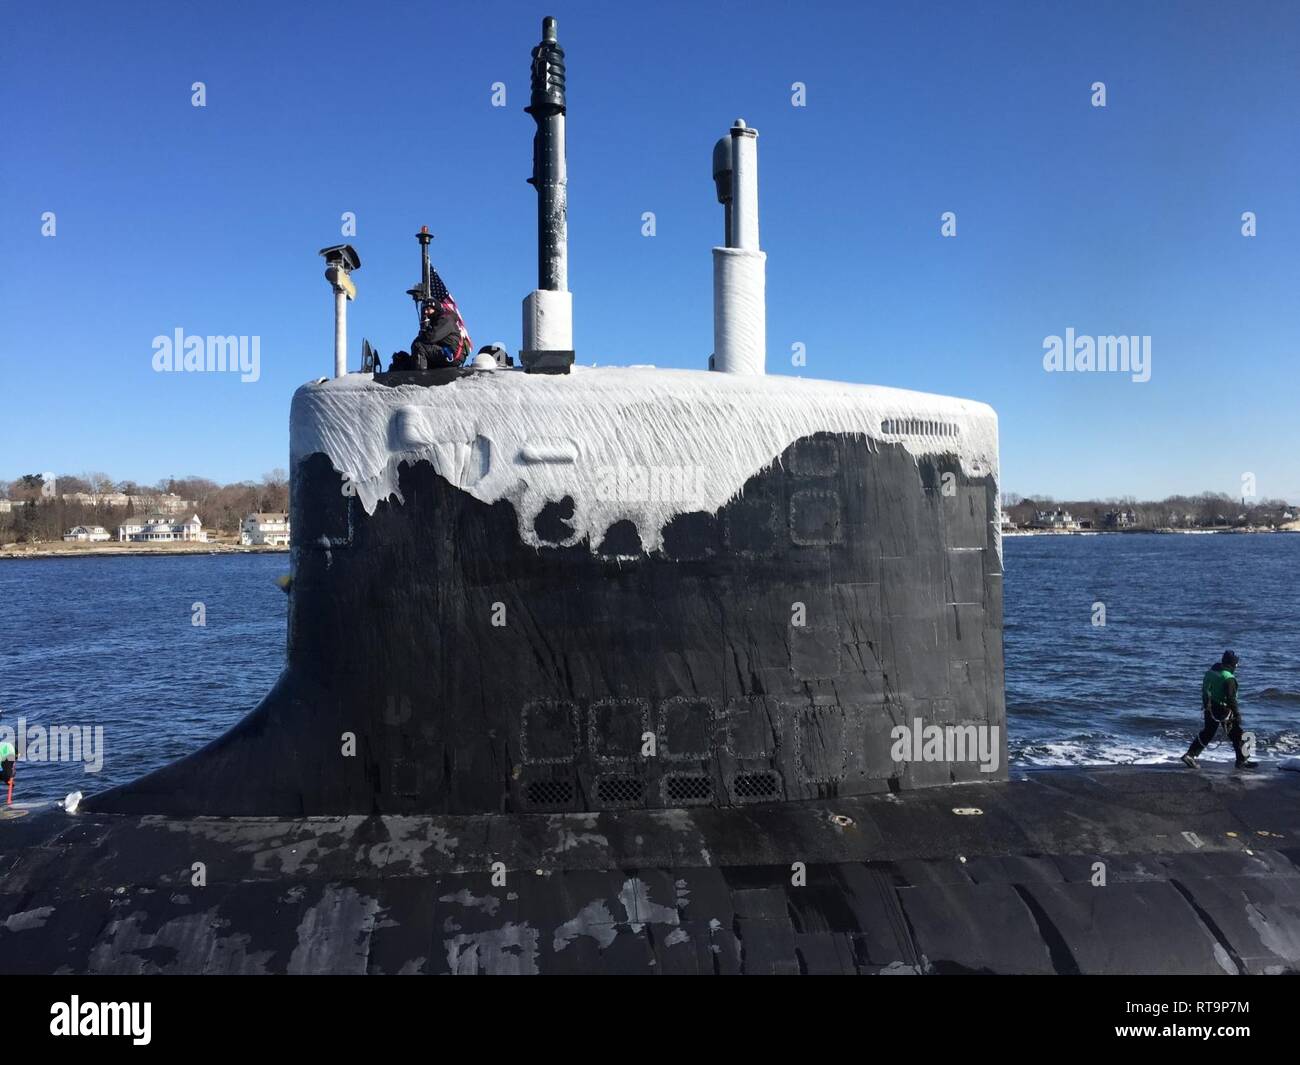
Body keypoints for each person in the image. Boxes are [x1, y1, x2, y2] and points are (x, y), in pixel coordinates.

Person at [1182, 650, 1257, 769]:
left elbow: (1205, 690)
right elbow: (1231, 699)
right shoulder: (1229, 679)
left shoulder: (1211, 672)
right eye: (1236, 664)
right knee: (1238, 733)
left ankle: (1190, 755)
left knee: (1208, 732)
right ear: (1232, 664)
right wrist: (1237, 714)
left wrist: (1206, 704)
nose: (1237, 666)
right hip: (1224, 710)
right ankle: (1242, 761)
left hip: (1209, 707)